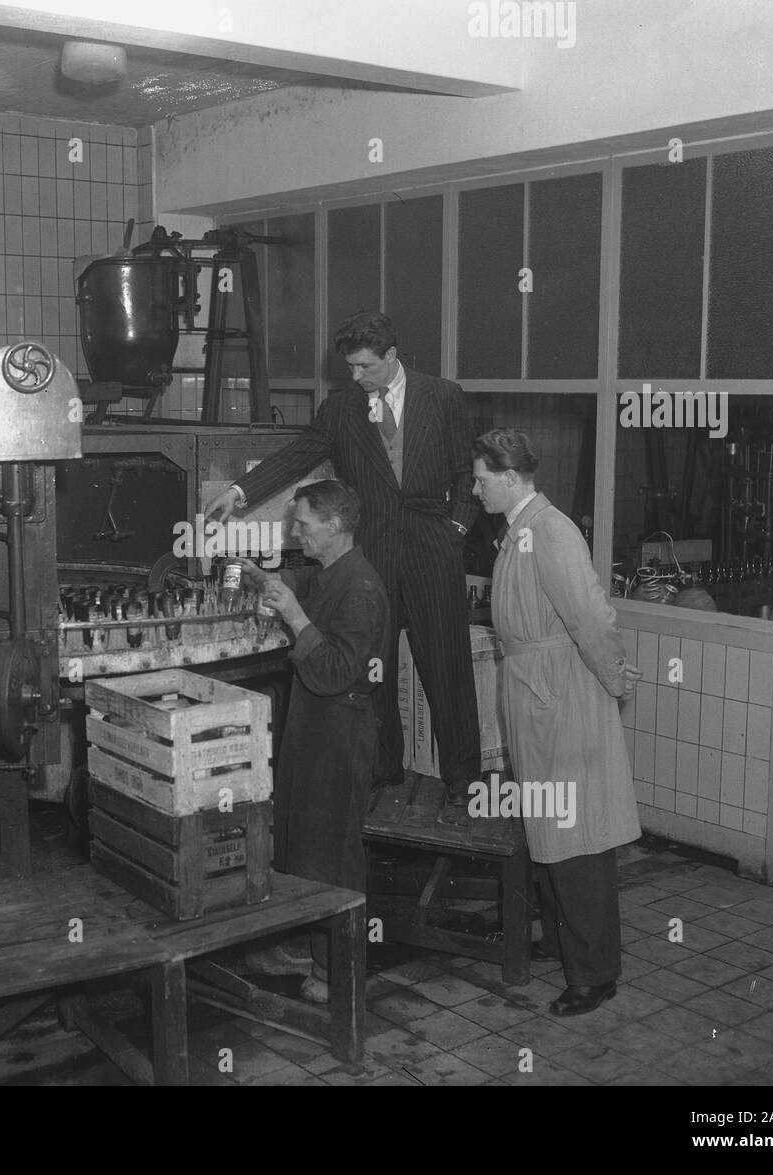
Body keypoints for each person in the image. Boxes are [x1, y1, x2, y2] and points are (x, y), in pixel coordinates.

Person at [206, 311, 479, 795]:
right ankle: (384, 767)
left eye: (365, 367)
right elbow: (296, 456)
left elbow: (464, 471)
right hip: (374, 552)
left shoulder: (443, 396)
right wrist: (240, 492)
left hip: (433, 550)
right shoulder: (340, 410)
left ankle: (463, 779)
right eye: (350, 367)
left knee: (447, 666)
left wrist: (456, 527)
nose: (356, 377)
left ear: (392, 357)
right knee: (375, 668)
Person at [471, 427, 643, 1017]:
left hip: (562, 696)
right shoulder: (518, 531)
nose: (475, 490)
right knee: (549, 828)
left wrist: (614, 681)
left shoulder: (550, 530)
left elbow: (592, 618)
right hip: (537, 693)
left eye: (482, 479)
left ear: (511, 478)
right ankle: (567, 945)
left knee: (578, 839)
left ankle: (595, 973)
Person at [240, 480, 388, 1004]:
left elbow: (335, 673)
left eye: (302, 523)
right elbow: (301, 585)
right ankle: (311, 950)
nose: (295, 531)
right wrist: (266, 580)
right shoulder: (333, 574)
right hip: (315, 728)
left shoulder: (362, 590)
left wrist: (295, 616)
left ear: (334, 525)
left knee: (333, 854)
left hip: (339, 733)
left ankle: (341, 972)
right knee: (303, 845)